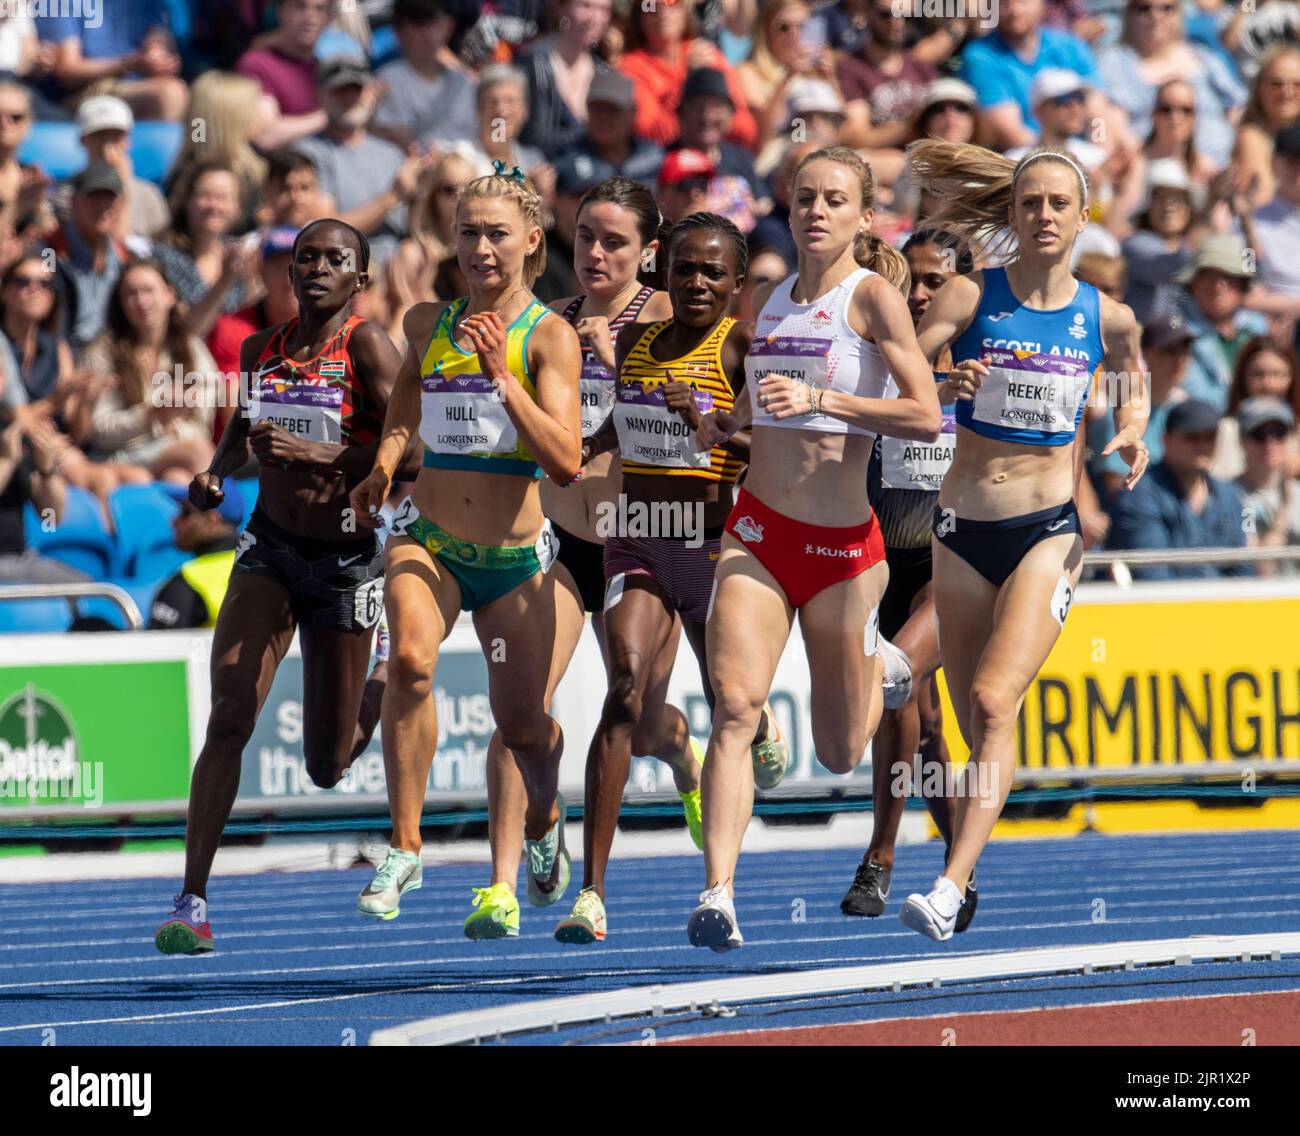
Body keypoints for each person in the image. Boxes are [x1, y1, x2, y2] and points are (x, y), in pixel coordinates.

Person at [687, 145, 937, 950]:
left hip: (842, 551)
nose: (817, 210)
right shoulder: (762, 299)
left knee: (838, 753)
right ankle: (718, 894)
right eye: (804, 198)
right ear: (787, 210)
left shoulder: (874, 301)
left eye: (835, 199)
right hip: (758, 532)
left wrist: (826, 397)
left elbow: (925, 415)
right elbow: (761, 414)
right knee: (732, 709)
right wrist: (723, 425)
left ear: (864, 218)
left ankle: (890, 666)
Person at [902, 139, 1149, 939]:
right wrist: (944, 379)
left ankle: (948, 882)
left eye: (1058, 203)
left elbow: (1132, 373)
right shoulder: (973, 298)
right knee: (979, 730)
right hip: (961, 528)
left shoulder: (1105, 315)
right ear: (1010, 214)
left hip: (1049, 530)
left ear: (1083, 218)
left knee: (990, 700)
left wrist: (1133, 427)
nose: (1044, 215)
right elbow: (901, 363)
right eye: (1030, 202)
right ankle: (966, 870)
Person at [347, 164, 586, 940]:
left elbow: (566, 461)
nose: (481, 248)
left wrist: (501, 379)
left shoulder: (549, 337)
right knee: (411, 662)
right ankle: (407, 846)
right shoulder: (427, 322)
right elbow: (408, 399)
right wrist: (383, 467)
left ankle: (545, 819)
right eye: (468, 233)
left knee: (523, 730)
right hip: (431, 543)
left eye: (496, 234)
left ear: (532, 243)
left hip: (516, 563)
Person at [154, 219, 402, 955]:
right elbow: (242, 431)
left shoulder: (367, 345)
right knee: (229, 712)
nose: (318, 269)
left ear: (360, 278)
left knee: (327, 767)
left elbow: (410, 451)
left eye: (336, 260)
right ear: (288, 276)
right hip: (269, 546)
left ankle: (382, 666)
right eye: (306, 260)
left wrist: (319, 452)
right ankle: (192, 898)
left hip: (346, 559)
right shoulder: (262, 350)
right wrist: (214, 474)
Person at [554, 210, 790, 945]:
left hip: (716, 548)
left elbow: (781, 450)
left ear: (736, 284)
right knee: (625, 690)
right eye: (683, 268)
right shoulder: (637, 339)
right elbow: (626, 421)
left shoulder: (746, 344)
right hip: (639, 542)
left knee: (729, 703)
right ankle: (592, 893)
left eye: (712, 272)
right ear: (663, 273)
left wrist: (715, 425)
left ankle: (756, 724)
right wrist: (577, 446)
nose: (695, 282)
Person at [840, 228, 976, 932]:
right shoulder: (878, 357)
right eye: (912, 281)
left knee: (900, 693)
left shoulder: (985, 363)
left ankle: (882, 855)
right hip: (879, 559)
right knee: (925, 729)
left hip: (951, 563)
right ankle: (960, 863)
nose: (922, 295)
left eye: (936, 283)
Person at [294, 56, 432, 271]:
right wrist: (392, 197)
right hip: (343, 268)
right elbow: (325, 231)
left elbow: (412, 225)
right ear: (320, 96)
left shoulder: (392, 153)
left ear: (369, 93)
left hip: (397, 269)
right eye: (339, 90)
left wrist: (426, 181)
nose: (349, 98)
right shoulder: (308, 153)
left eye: (356, 89)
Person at [1106, 398, 1248, 578]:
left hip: (1223, 603)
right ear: (1166, 439)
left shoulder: (1230, 495)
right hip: (1156, 603)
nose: (1202, 445)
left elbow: (1244, 571)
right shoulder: (1139, 495)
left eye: (1210, 436)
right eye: (1192, 437)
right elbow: (1152, 576)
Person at [1174, 234, 1270, 413]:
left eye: (1229, 277)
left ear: (1243, 285)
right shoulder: (1177, 331)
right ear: (1193, 284)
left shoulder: (1258, 326)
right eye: (1208, 276)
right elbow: (1200, 396)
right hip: (1206, 431)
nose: (1218, 286)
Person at [372, 0, 479, 152]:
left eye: (434, 22)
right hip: (419, 169)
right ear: (398, 31)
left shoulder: (466, 83)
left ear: (448, 26)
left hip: (471, 167)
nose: (428, 33)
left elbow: (487, 132)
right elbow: (402, 142)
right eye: (418, 22)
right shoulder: (388, 79)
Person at [516, 0, 616, 156]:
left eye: (604, 10)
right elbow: (535, 140)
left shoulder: (604, 72)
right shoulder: (535, 63)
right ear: (562, 8)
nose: (595, 18)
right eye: (585, 6)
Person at [146, 484, 246, 629]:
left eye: (185, 513)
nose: (173, 522)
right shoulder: (261, 568)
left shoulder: (189, 581)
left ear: (212, 522)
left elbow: (157, 648)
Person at [236, 0, 331, 151]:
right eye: (300, 7)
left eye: (319, 9)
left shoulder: (325, 68)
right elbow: (263, 136)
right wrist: (331, 115)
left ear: (328, 18)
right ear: (280, 12)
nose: (310, 17)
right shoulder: (257, 65)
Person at [74, 95, 169, 241]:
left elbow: (162, 248)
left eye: (116, 136)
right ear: (82, 141)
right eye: (99, 136)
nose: (107, 147)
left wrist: (123, 184)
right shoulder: (70, 191)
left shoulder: (148, 194)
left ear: (128, 140)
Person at [1235, 395, 1300, 575]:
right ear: (1242, 440)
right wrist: (1284, 509)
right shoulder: (1232, 496)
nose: (1270, 443)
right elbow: (1262, 568)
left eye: (1279, 433)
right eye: (1259, 434)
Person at [1232, 44, 1300, 208]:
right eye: (1276, 83)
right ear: (1259, 88)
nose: (1287, 91)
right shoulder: (1250, 138)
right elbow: (1261, 199)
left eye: (1297, 84)